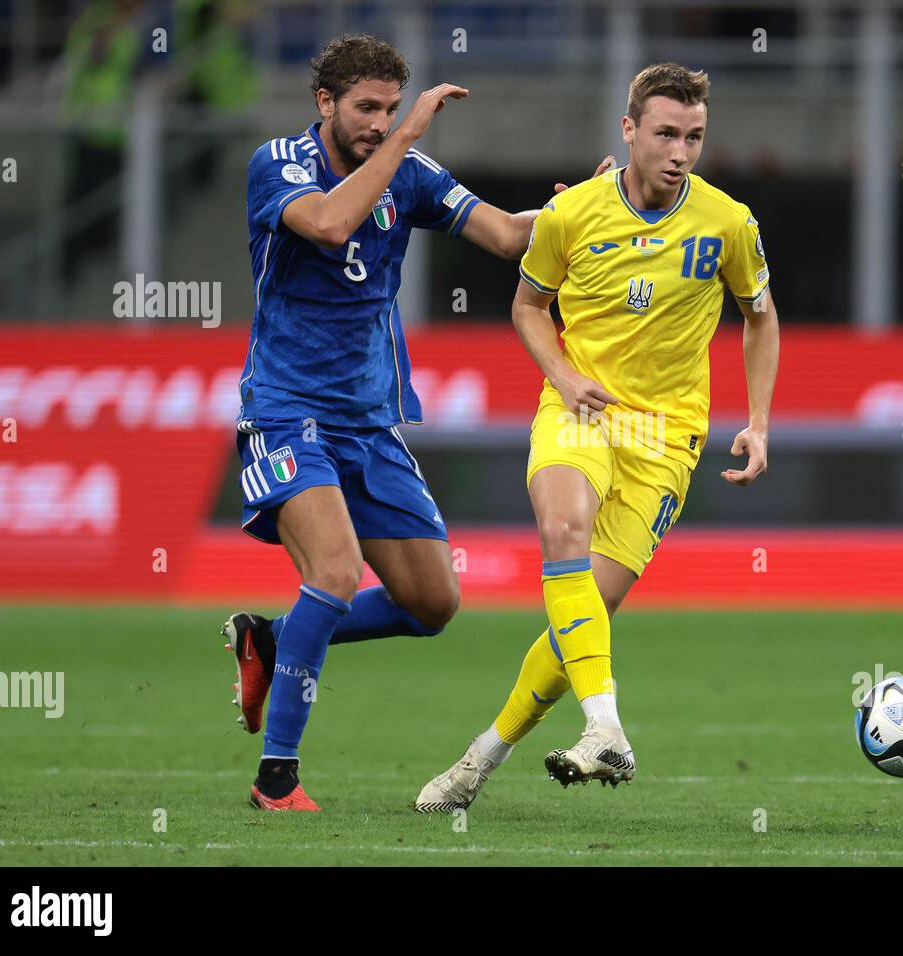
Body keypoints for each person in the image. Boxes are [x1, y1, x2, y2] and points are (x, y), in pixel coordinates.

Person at [224, 32, 609, 811]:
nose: (379, 122)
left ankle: (267, 638)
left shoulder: (411, 172)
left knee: (432, 603)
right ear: (325, 103)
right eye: (365, 108)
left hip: (371, 422)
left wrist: (579, 209)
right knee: (332, 576)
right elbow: (331, 222)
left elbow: (505, 234)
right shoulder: (280, 164)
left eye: (390, 109)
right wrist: (404, 140)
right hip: (287, 412)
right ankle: (277, 777)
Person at [415, 62, 780, 812]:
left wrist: (759, 423)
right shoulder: (571, 215)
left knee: (580, 624)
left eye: (694, 137)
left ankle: (478, 762)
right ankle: (606, 725)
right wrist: (562, 373)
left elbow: (761, 316)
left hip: (667, 436)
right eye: (666, 134)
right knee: (564, 529)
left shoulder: (727, 222)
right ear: (629, 131)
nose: (681, 151)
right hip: (579, 410)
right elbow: (526, 307)